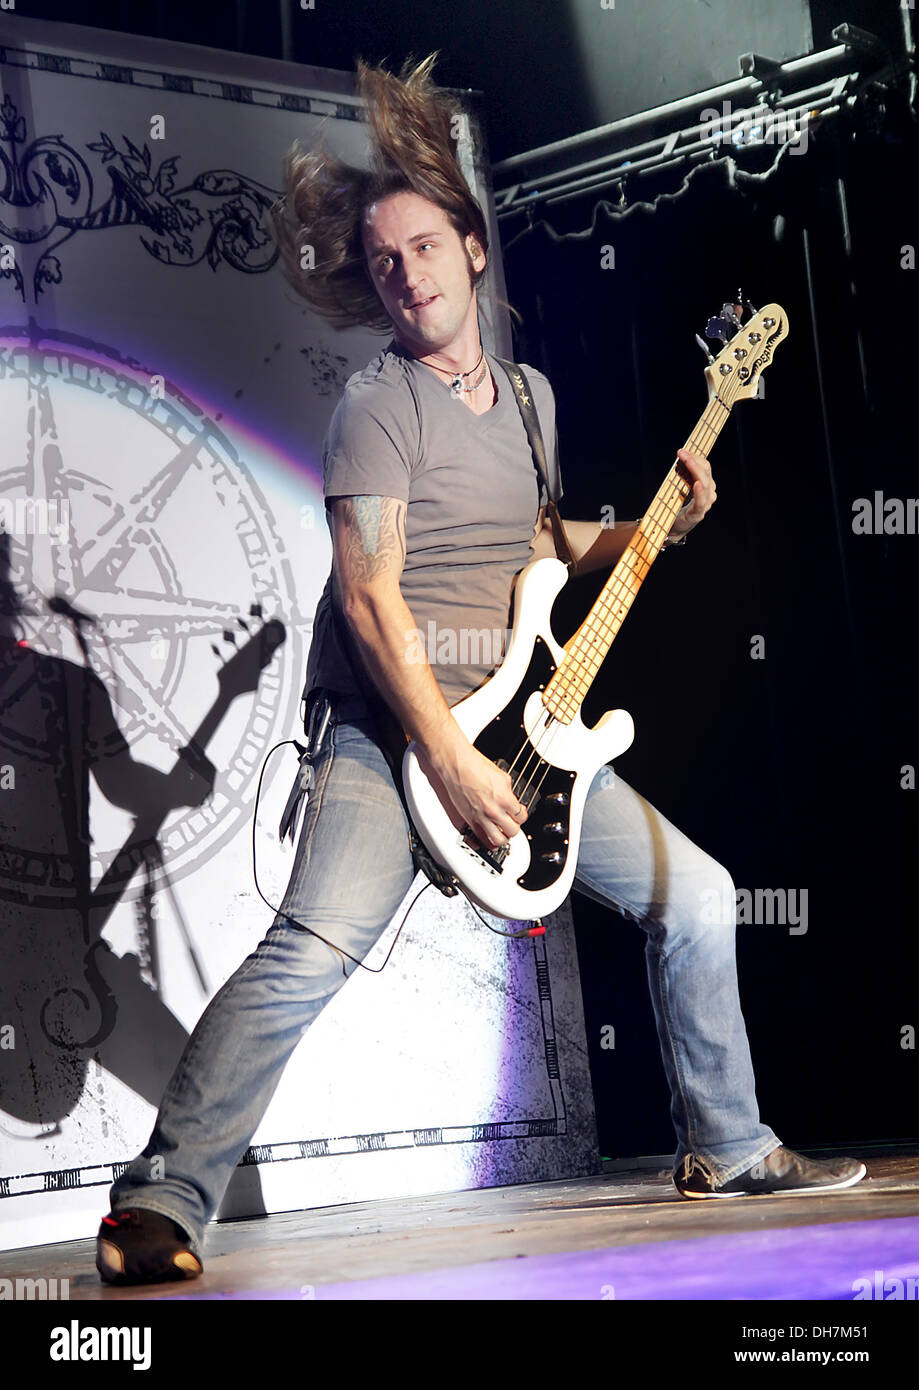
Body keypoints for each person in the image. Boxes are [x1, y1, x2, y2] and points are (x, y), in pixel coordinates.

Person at [96, 54, 864, 1287]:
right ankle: (159, 1200)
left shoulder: (528, 398)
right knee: (311, 946)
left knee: (700, 895)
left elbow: (538, 545)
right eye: (382, 261)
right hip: (394, 727)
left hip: (523, 725)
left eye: (422, 248)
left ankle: (726, 1145)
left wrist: (651, 528)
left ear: (470, 249)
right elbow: (369, 593)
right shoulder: (374, 406)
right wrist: (446, 756)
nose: (405, 274)